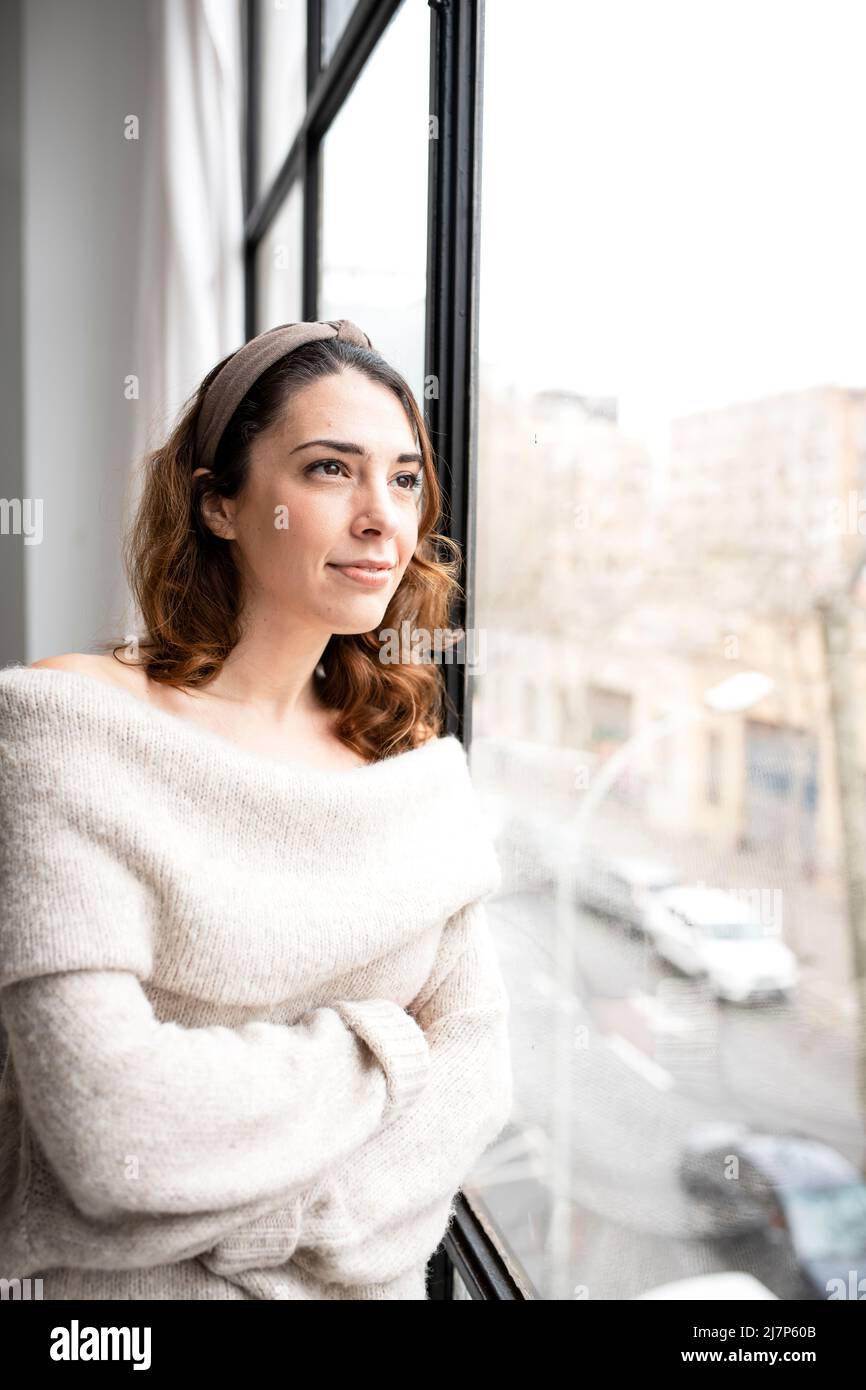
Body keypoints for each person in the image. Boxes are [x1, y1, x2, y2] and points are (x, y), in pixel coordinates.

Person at [0, 319, 512, 1300]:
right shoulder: (68, 730)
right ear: (221, 504)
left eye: (404, 478)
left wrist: (285, 1218)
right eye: (330, 470)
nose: (382, 520)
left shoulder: (405, 759)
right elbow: (113, 1129)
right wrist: (390, 1049)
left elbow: (477, 1074)